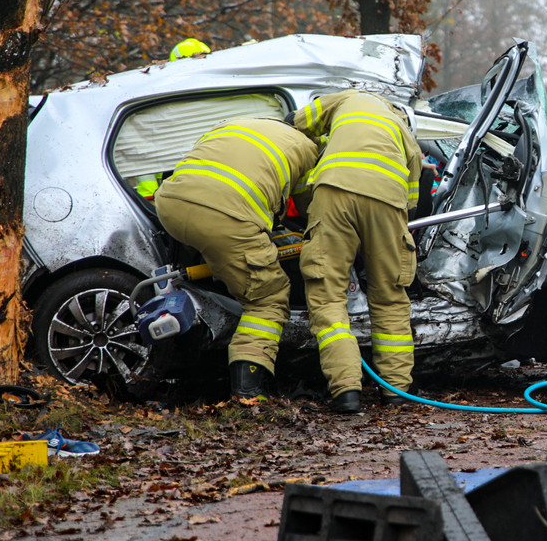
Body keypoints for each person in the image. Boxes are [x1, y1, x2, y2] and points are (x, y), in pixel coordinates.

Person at [153, 115, 319, 400]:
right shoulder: (308, 149)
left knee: (201, 271)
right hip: (226, 216)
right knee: (267, 298)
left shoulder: (237, 124)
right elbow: (308, 209)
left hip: (170, 205)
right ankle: (248, 391)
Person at [293, 90, 423, 414]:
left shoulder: (347, 98)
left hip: (333, 191)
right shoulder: (402, 127)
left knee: (328, 296)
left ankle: (346, 391)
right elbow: (413, 200)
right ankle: (396, 392)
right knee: (390, 296)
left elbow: (299, 121)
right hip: (387, 201)